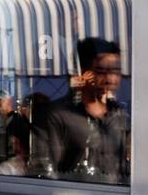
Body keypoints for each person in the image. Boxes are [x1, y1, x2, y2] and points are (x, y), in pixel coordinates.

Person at [42, 38, 130, 183]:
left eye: (115, 70)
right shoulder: (59, 116)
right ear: (84, 73)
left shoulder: (120, 115)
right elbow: (50, 171)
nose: (110, 79)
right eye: (101, 71)